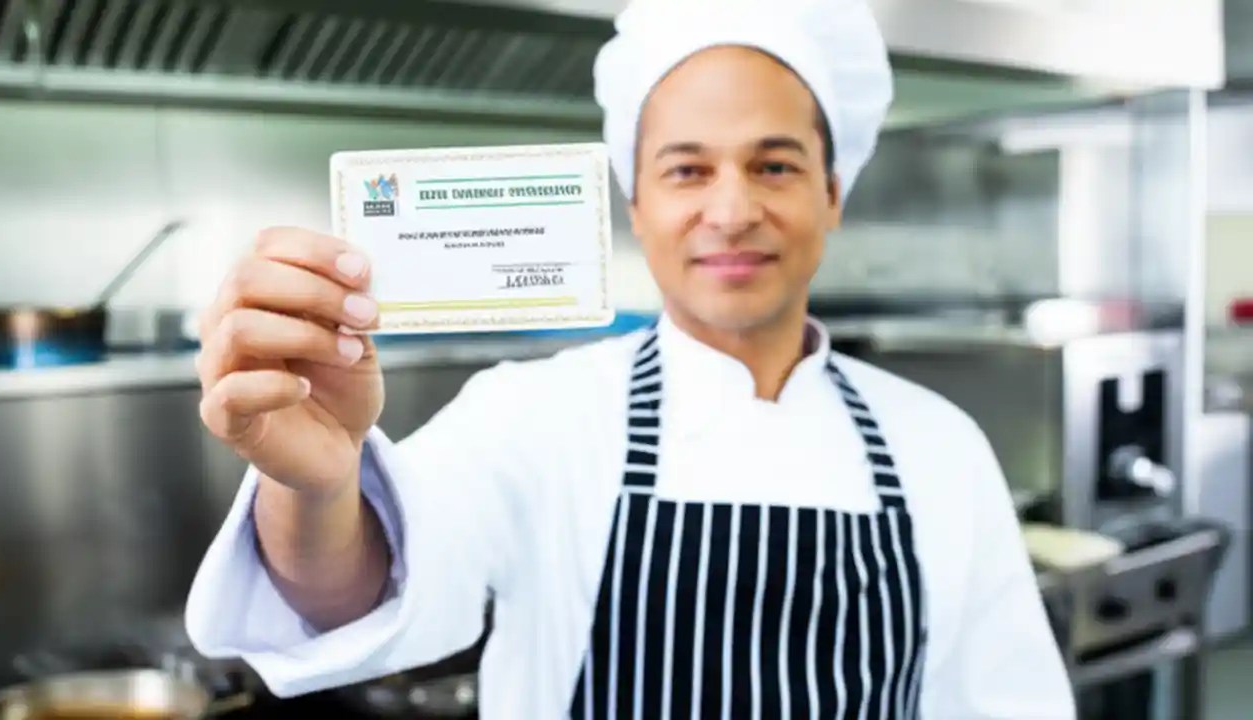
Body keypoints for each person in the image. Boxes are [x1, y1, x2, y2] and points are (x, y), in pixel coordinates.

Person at [185, 0, 1076, 717]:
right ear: (635, 200)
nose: (730, 212)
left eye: (773, 166)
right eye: (687, 170)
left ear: (833, 192)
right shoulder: (531, 417)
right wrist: (314, 487)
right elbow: (357, 595)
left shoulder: (939, 449)